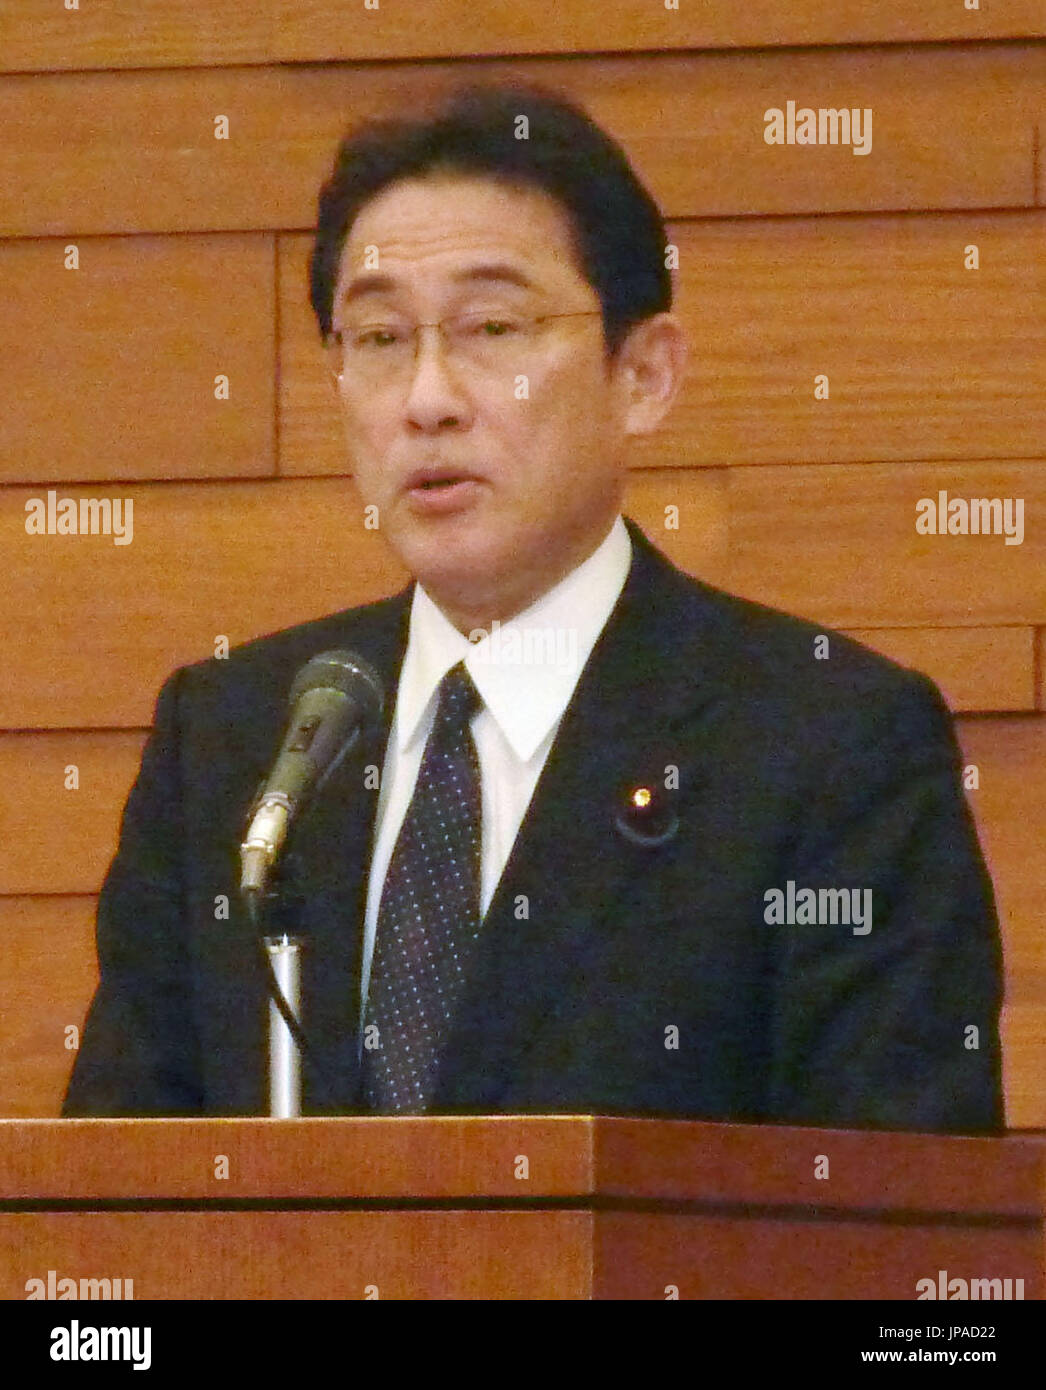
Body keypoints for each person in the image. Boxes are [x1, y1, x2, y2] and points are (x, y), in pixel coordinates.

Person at [63, 82, 1005, 1133]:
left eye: (491, 326)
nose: (427, 398)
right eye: (377, 340)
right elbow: (119, 1211)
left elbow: (891, 1230)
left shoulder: (825, 747)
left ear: (642, 375)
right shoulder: (236, 744)